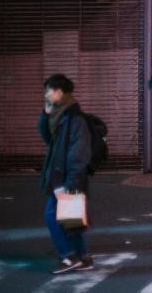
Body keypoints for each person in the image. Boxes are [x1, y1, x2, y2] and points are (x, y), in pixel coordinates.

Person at [39, 74, 94, 275]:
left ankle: (69, 257)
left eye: (48, 91)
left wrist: (70, 182)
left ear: (59, 92)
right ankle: (83, 258)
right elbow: (49, 139)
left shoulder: (75, 120)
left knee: (52, 216)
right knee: (71, 218)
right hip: (62, 176)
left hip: (67, 177)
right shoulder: (60, 116)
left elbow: (78, 154)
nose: (45, 95)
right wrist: (45, 115)